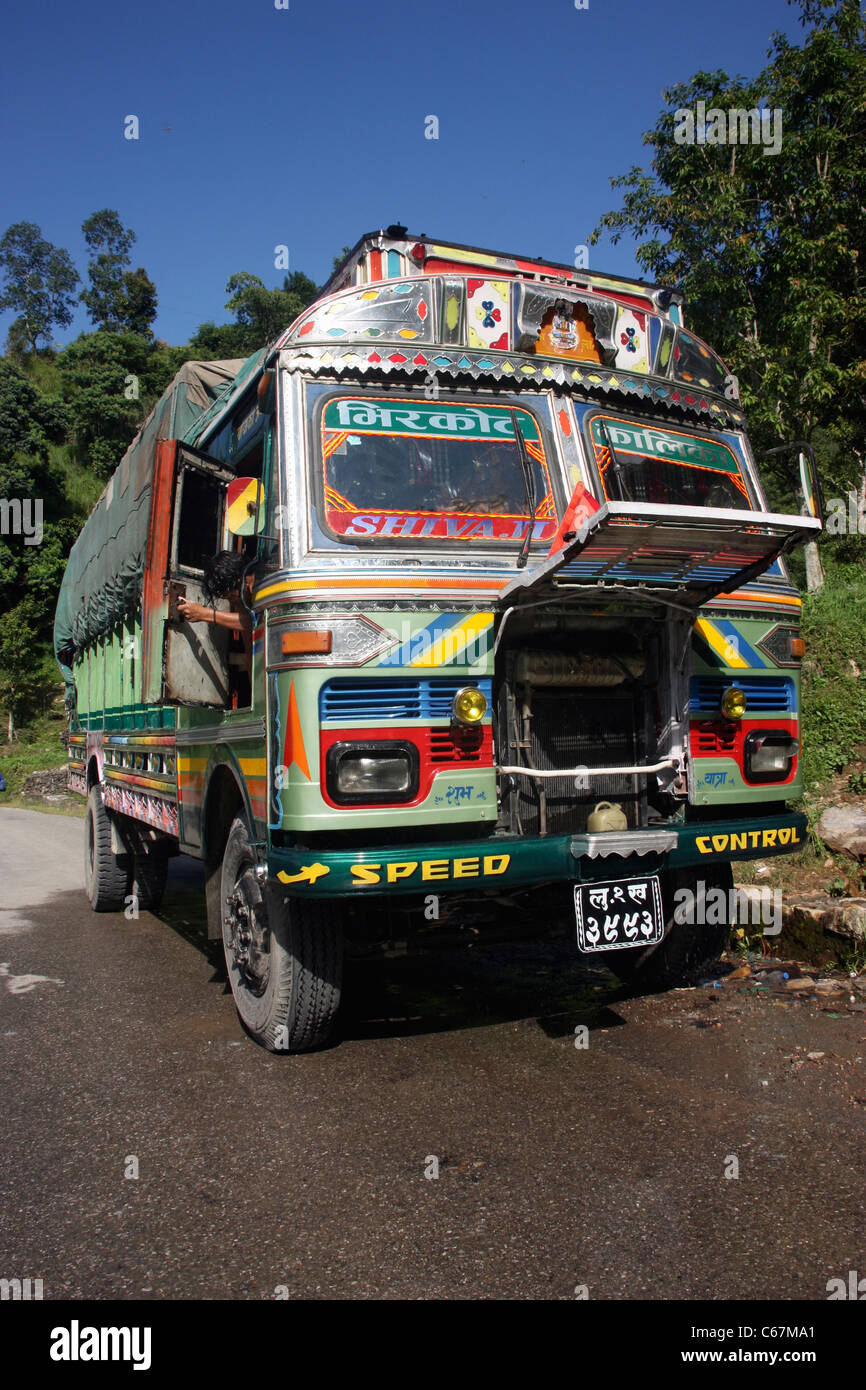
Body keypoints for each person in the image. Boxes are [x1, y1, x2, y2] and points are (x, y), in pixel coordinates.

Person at [176, 550, 254, 701]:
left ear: (239, 580)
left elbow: (254, 622)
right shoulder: (243, 597)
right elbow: (249, 646)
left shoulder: (259, 582)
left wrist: (205, 614)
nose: (232, 601)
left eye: (230, 596)